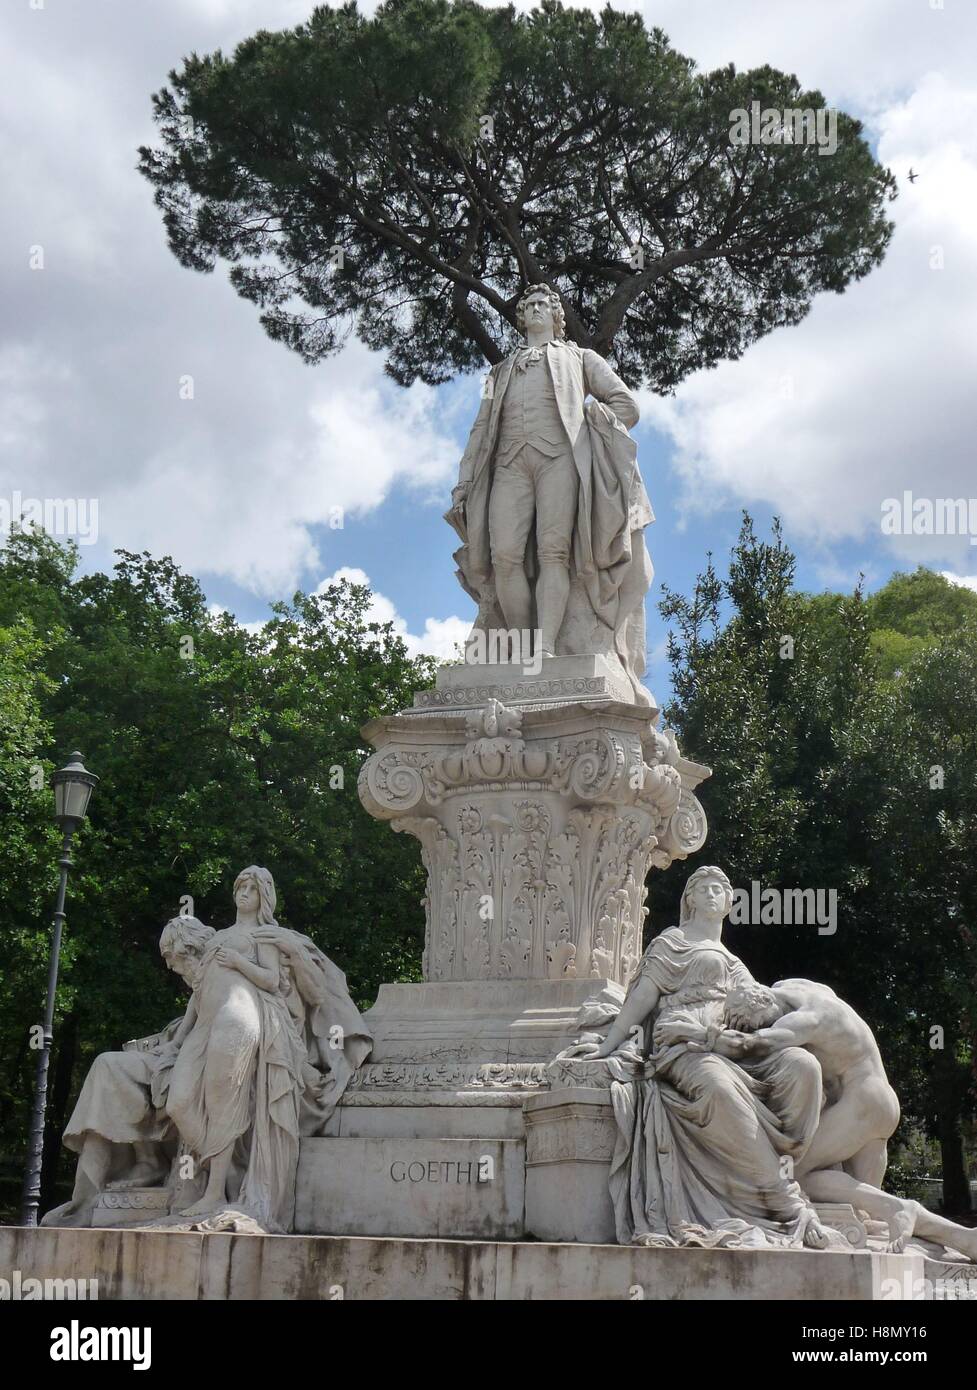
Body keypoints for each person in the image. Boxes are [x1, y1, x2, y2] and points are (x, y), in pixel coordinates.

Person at [566, 866, 830, 1248]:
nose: (710, 894)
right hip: (681, 1048)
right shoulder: (672, 942)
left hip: (725, 1046)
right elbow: (640, 999)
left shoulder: (735, 963)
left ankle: (775, 1170)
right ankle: (782, 1200)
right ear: (688, 899)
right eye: (701, 888)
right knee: (720, 1090)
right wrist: (609, 1044)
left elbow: (756, 1017)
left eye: (718, 890)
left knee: (804, 1067)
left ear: (729, 903)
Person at [445, 282, 654, 699]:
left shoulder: (581, 358)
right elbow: (481, 426)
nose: (536, 309)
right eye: (529, 305)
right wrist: (465, 480)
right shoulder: (499, 372)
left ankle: (545, 646)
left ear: (557, 318)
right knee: (504, 557)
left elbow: (626, 405)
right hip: (507, 465)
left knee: (553, 552)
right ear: (521, 318)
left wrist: (596, 415)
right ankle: (521, 648)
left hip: (561, 460)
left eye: (544, 304)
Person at [705, 980, 977, 1260]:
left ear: (767, 1008)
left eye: (760, 1023)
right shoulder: (795, 987)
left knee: (792, 1177)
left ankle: (899, 1208)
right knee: (867, 1216)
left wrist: (702, 1037)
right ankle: (962, 1238)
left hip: (861, 1105)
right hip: (879, 1102)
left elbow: (755, 1044)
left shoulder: (805, 1020)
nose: (764, 1027)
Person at [165, 865, 371, 1231]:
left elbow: (272, 981)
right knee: (179, 1102)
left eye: (252, 888)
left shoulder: (265, 935)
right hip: (205, 1023)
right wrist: (177, 1039)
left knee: (222, 1105)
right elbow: (198, 994)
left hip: (239, 1019)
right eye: (240, 885)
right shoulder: (217, 937)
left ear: (264, 896)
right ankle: (224, 1168)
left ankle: (215, 1191)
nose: (243, 892)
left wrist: (240, 962)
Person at [41, 914, 215, 1228]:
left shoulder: (219, 976)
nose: (171, 968)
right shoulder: (203, 984)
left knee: (114, 1069)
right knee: (109, 1066)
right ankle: (145, 1161)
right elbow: (183, 1032)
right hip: (178, 1057)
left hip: (202, 1065)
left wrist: (174, 1051)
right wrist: (162, 1047)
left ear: (190, 950)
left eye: (173, 960)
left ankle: (148, 1164)